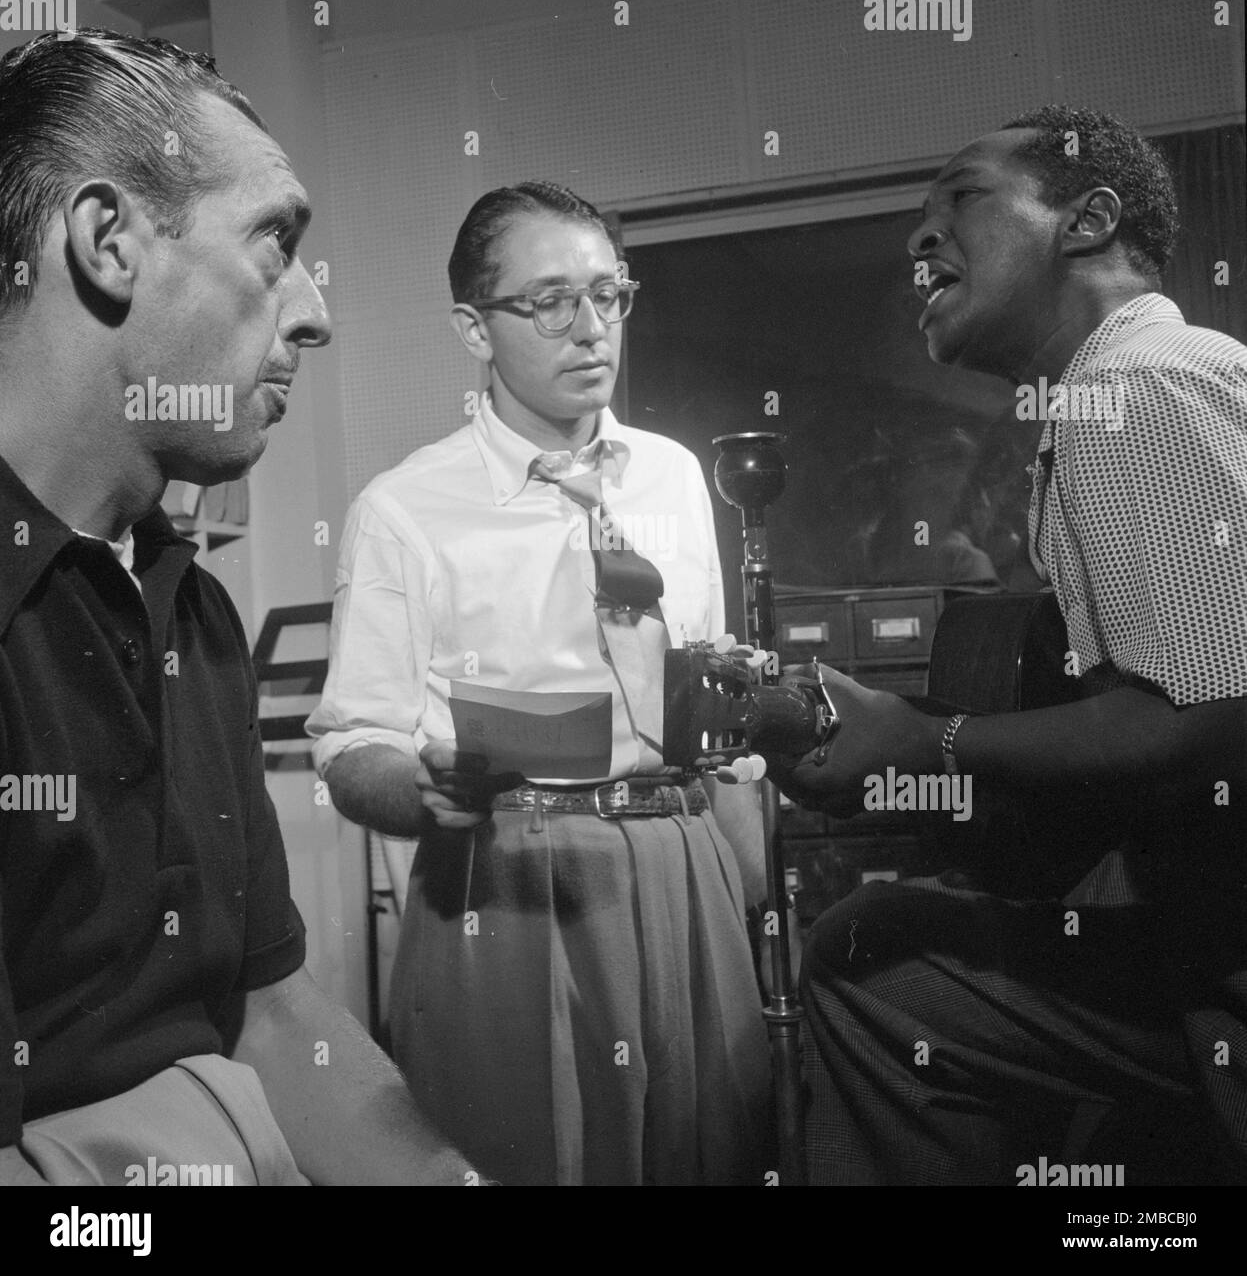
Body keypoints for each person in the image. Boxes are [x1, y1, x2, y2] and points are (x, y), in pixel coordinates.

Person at [0, 29, 477, 1186]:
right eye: (276, 241)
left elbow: (269, 1016)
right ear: (109, 241)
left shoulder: (193, 616)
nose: (314, 315)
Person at [769, 106, 1247, 1184]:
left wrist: (925, 744)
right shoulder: (1118, 394)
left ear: (1086, 219)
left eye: (961, 199)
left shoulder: (1136, 388)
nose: (920, 238)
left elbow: (1212, 713)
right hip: (1201, 924)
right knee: (886, 955)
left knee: (867, 961)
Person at [309, 182, 772, 1186]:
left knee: (717, 1151)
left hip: (683, 849)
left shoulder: (673, 476)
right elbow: (350, 748)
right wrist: (425, 791)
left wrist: (742, 890)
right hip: (508, 876)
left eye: (609, 294)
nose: (589, 327)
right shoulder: (404, 508)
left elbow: (703, 695)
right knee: (534, 1154)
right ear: (472, 327)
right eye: (548, 300)